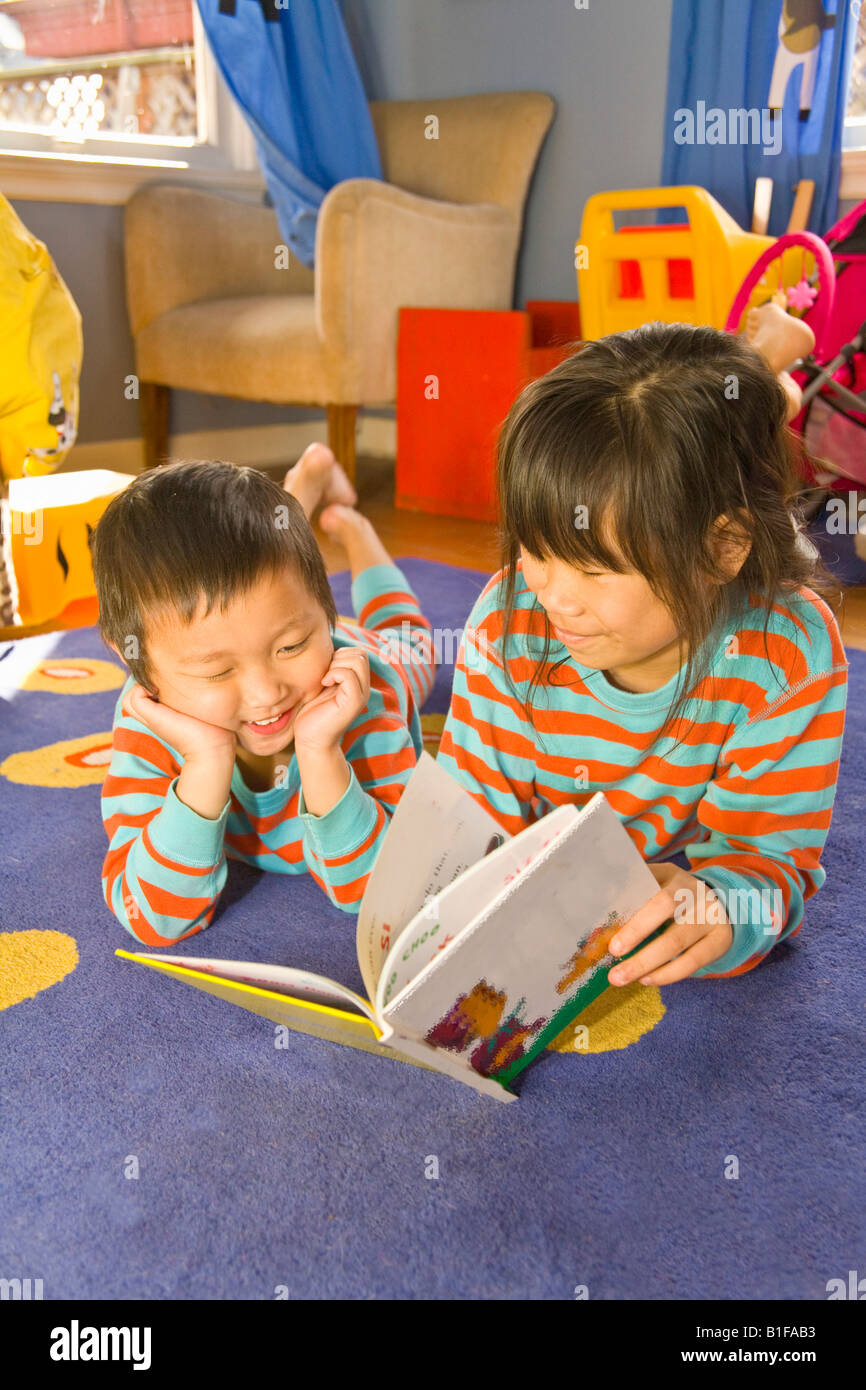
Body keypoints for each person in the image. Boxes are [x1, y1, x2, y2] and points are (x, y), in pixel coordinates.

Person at [437, 319, 848, 985]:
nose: (554, 596)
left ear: (721, 549)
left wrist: (719, 905)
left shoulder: (786, 655)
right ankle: (764, 359)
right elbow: (470, 818)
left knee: (750, 431)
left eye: (594, 571)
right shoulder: (511, 620)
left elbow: (768, 862)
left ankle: (771, 358)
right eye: (534, 547)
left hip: (739, 536)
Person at [93, 446, 434, 943]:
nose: (266, 694)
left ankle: (354, 531)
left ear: (325, 611)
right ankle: (305, 489)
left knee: (412, 641)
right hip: (277, 612)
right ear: (132, 661)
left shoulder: (364, 697)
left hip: (358, 648)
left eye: (291, 645)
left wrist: (321, 753)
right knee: (259, 591)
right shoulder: (148, 720)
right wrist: (206, 764)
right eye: (216, 672)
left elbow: (375, 890)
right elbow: (153, 917)